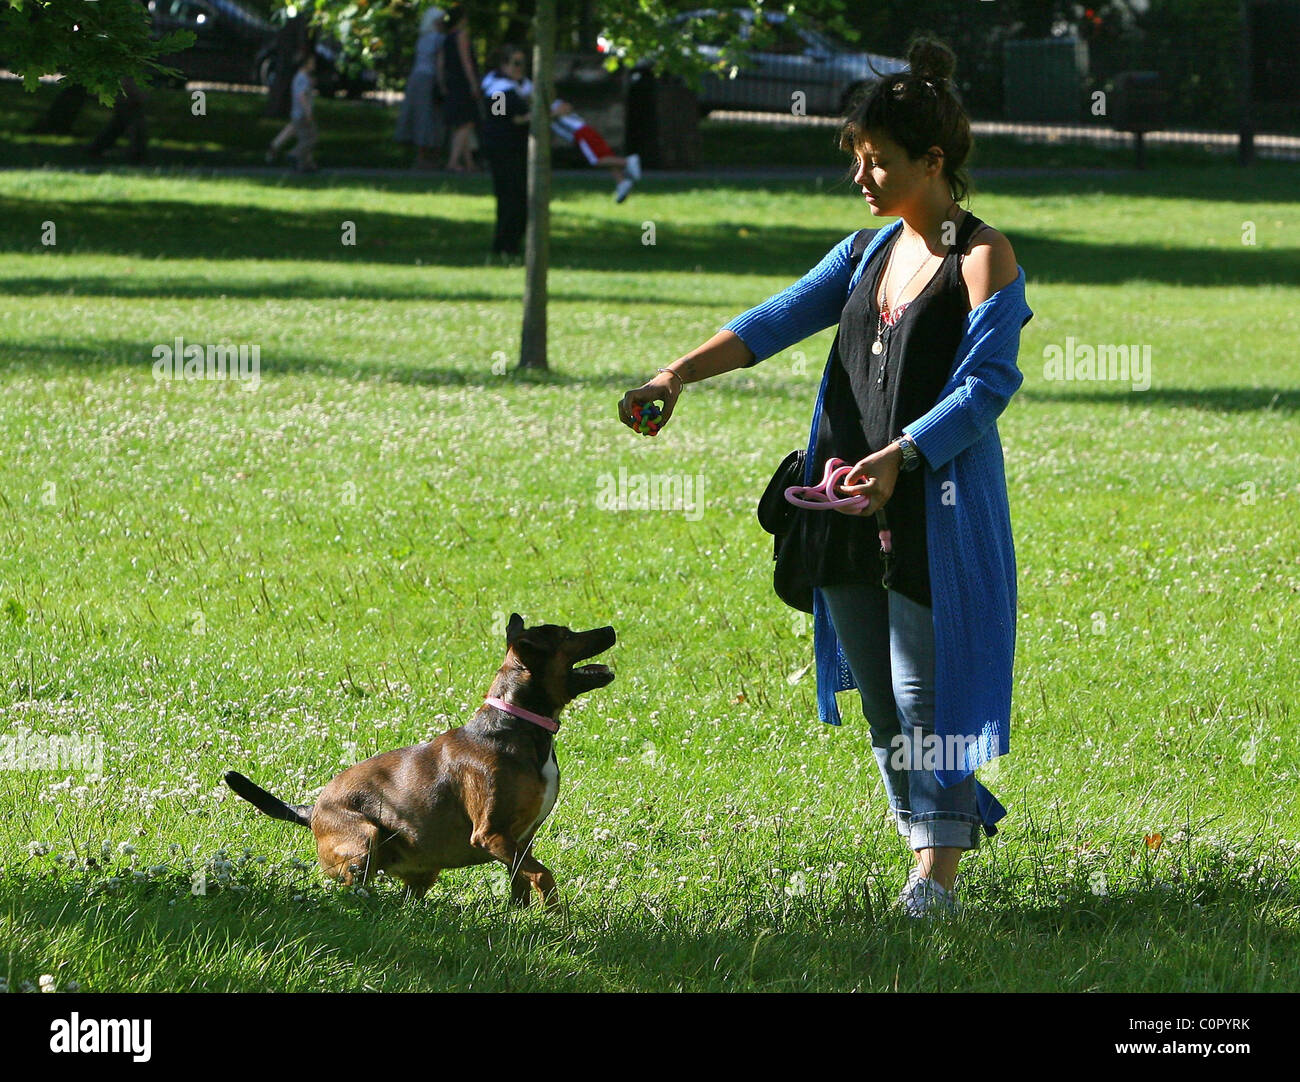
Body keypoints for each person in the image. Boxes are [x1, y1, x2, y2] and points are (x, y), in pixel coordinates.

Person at [618, 37, 1032, 918]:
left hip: (933, 513)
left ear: (934, 161)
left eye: (879, 163)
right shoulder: (866, 252)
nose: (864, 179)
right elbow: (772, 321)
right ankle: (941, 821)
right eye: (858, 162)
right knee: (883, 703)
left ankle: (934, 877)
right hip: (842, 502)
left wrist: (904, 455)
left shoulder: (984, 258)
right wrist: (674, 376)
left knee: (929, 698)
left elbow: (986, 386)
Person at [478, 45, 531, 260]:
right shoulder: (498, 89)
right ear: (504, 65)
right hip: (504, 150)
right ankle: (505, 245)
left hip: (515, 149)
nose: (520, 68)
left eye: (522, 64)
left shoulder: (519, 87)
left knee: (518, 199)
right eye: (516, 63)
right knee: (510, 198)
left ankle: (511, 244)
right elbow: (502, 119)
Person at [549, 101, 641, 202]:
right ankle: (621, 182)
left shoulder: (553, 104)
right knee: (606, 156)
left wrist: (549, 115)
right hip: (581, 134)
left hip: (581, 132)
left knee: (596, 160)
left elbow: (566, 107)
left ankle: (627, 162)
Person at [395, 6, 447, 169]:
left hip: (416, 78)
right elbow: (440, 64)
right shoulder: (440, 39)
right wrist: (442, 84)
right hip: (429, 79)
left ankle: (421, 157)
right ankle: (427, 158)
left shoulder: (422, 39)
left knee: (420, 116)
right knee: (430, 117)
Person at [438, 5, 481, 173]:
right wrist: (473, 83)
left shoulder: (445, 38)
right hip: (462, 83)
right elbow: (466, 61)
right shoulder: (461, 35)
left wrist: (442, 84)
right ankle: (453, 162)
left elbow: (440, 64)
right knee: (466, 123)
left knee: (460, 124)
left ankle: (469, 163)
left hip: (451, 83)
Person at [266, 49, 318, 173]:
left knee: (302, 137)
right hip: (301, 114)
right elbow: (302, 96)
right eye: (311, 62)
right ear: (305, 64)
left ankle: (306, 165)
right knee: (310, 138)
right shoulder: (302, 78)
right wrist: (308, 112)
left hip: (297, 114)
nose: (314, 64)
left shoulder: (300, 77)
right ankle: (295, 155)